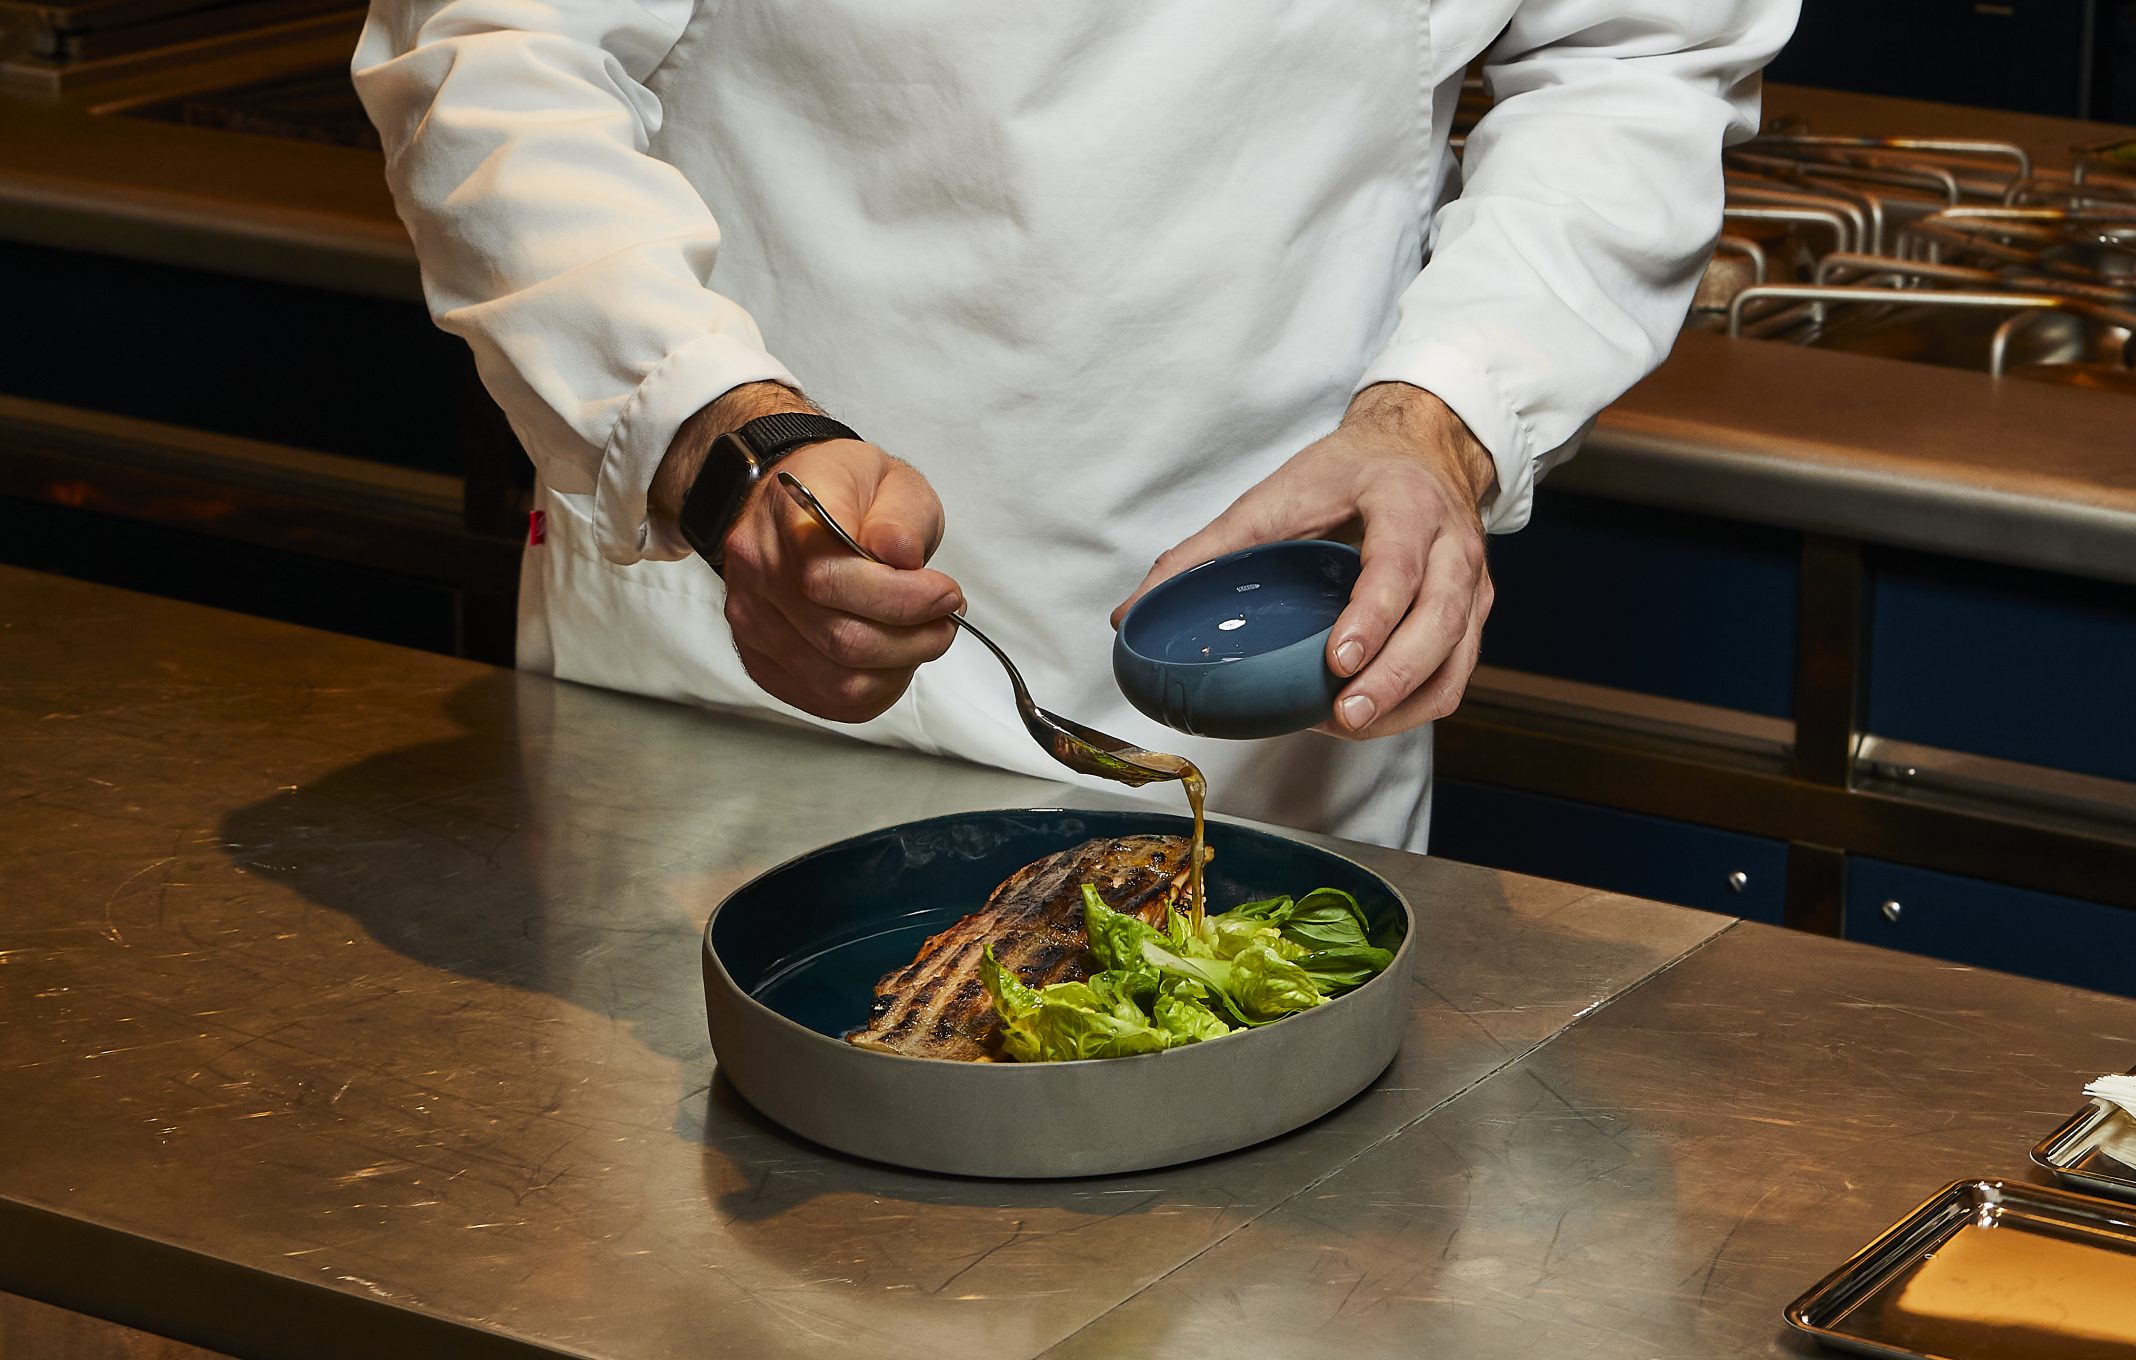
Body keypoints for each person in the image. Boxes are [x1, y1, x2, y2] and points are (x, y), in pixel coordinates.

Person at [353, 1, 1798, 851]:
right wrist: (713, 436)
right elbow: (494, 54)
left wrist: (1447, 414)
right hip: (736, 657)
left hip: (1267, 688)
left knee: (1246, 1335)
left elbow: (1637, 54)